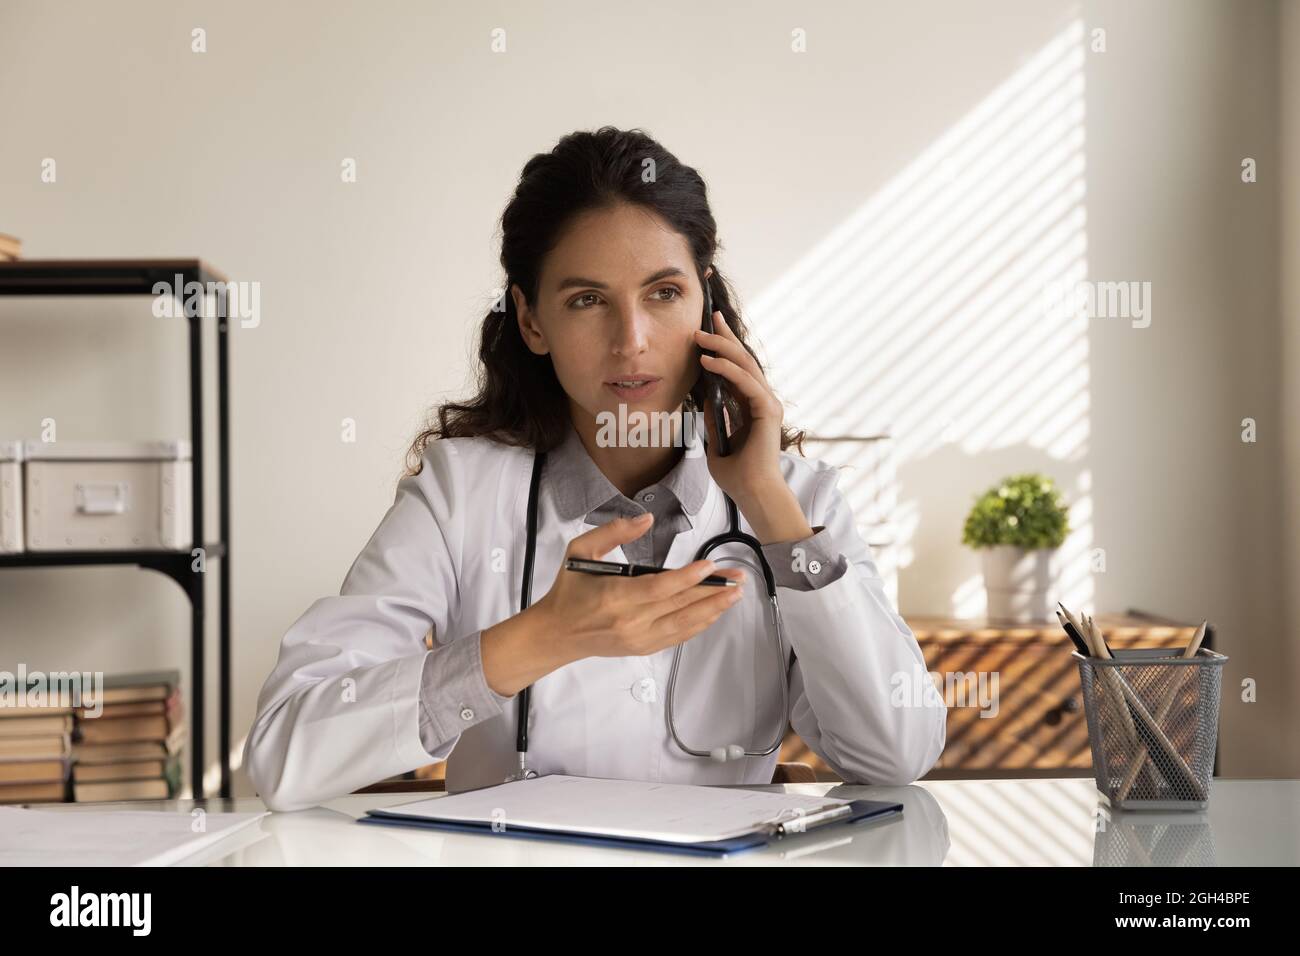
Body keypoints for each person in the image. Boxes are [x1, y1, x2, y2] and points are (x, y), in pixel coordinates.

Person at [244, 126, 946, 812]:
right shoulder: (460, 492)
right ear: (531, 320)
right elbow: (282, 752)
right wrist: (543, 637)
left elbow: (895, 756)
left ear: (707, 298)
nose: (631, 341)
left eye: (663, 293)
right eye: (587, 300)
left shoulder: (796, 500)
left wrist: (766, 502)